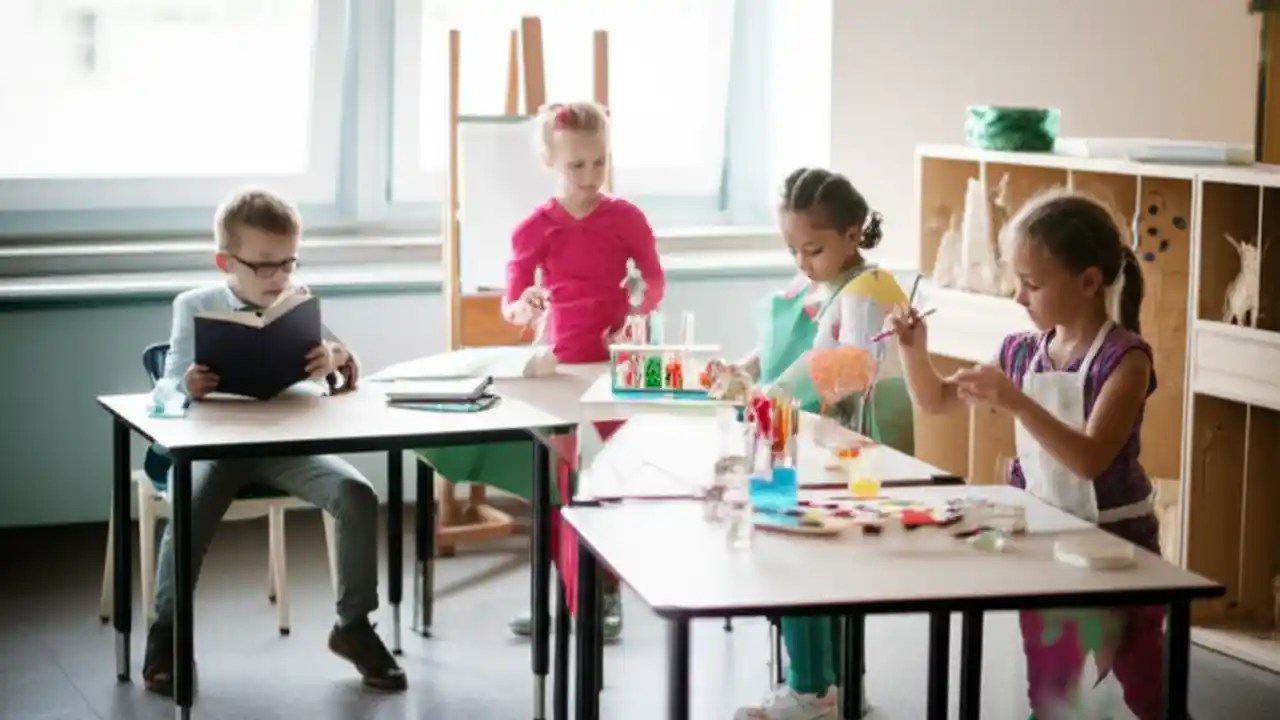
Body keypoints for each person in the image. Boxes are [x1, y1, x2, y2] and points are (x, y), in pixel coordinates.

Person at [889, 190, 1162, 719]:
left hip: (1120, 549)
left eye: (1032, 284)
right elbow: (935, 399)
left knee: (1147, 690)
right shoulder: (1019, 350)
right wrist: (913, 349)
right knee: (1051, 695)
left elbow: (1089, 459)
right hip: (1045, 540)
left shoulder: (1126, 360)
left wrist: (1016, 400)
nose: (1018, 297)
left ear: (1088, 282)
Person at [142, 189, 406, 696]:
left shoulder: (296, 300)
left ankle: (352, 626)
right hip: (213, 450)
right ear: (227, 262)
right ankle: (167, 631)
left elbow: (348, 368)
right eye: (264, 266)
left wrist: (334, 361)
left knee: (357, 495)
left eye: (287, 263)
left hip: (286, 447)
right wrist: (187, 385)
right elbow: (165, 389)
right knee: (190, 503)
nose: (279, 277)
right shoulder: (195, 305)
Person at [418, 100, 665, 640]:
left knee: (602, 488)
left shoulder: (626, 218)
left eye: (599, 163)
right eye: (576, 166)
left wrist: (639, 304)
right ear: (549, 162)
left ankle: (604, 597)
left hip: (611, 371)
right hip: (556, 372)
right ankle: (565, 595)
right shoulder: (535, 228)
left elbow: (654, 282)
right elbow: (511, 304)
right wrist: (524, 306)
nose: (590, 177)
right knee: (557, 493)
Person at [735, 167, 913, 720]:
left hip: (839, 453)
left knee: (807, 570)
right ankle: (825, 687)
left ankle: (814, 691)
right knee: (809, 570)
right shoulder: (820, 283)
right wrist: (742, 372)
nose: (800, 262)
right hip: (796, 443)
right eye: (791, 248)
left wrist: (767, 393)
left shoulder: (868, 290)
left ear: (853, 233)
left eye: (811, 248)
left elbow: (849, 369)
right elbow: (780, 349)